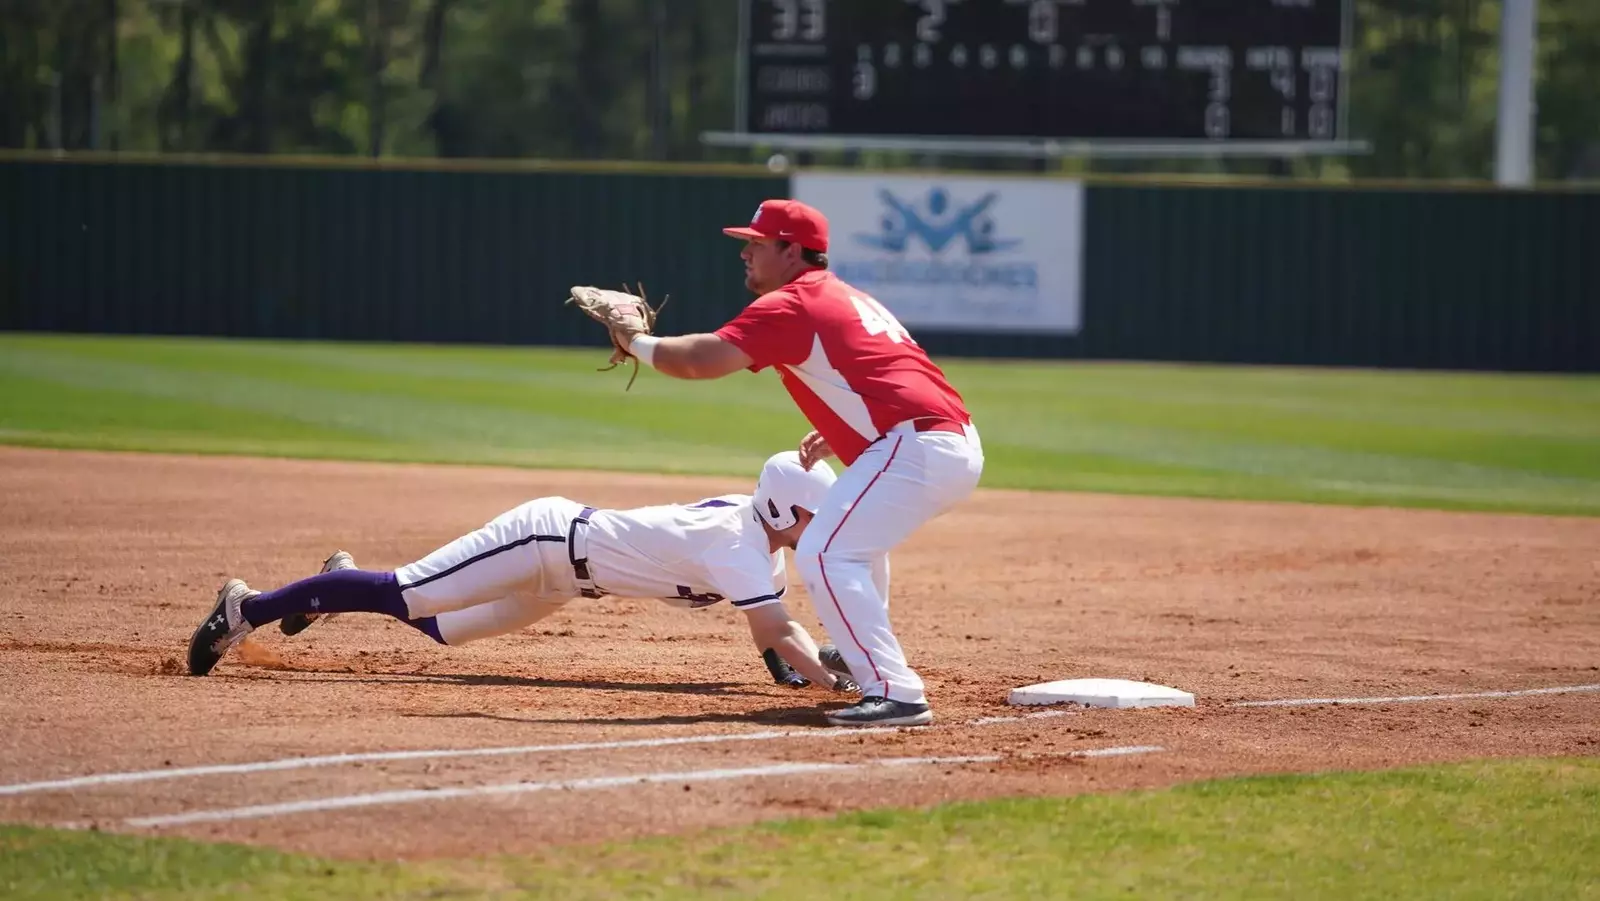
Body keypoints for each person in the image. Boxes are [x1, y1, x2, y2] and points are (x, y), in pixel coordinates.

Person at [568, 198, 984, 727]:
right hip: (940, 439)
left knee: (825, 553)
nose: (745, 253)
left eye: (757, 244)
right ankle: (859, 655)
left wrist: (636, 340)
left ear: (792, 251)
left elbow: (699, 361)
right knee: (852, 544)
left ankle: (897, 694)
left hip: (916, 446)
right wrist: (849, 429)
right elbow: (887, 372)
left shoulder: (793, 303)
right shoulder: (843, 296)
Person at [185, 451, 860, 697]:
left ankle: (343, 582)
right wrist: (833, 681)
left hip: (564, 580)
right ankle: (246, 608)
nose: (823, 523)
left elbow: (772, 637)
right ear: (782, 508)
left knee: (444, 628)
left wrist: (802, 671)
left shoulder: (760, 544)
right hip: (540, 541)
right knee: (410, 594)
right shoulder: (737, 543)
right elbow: (774, 627)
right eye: (814, 513)